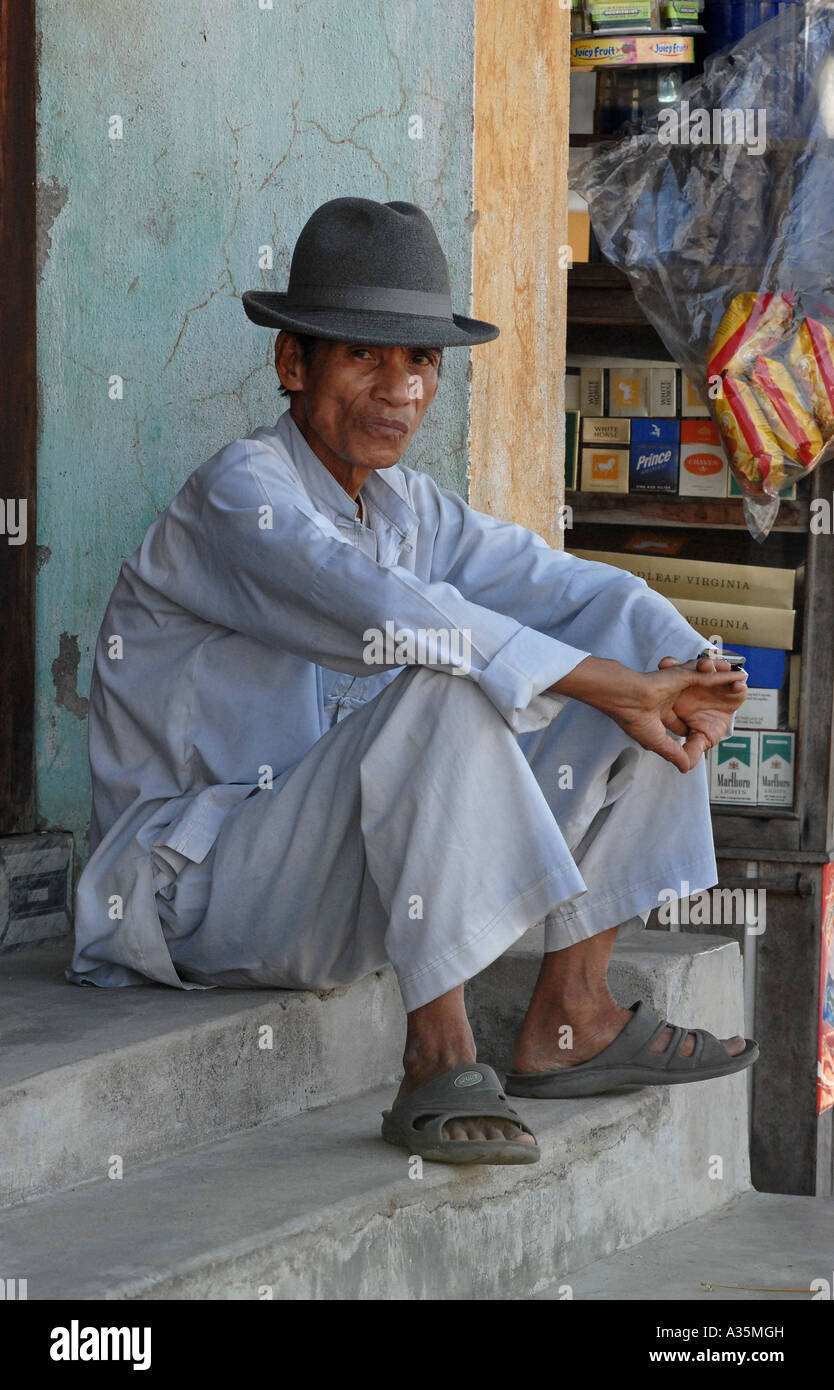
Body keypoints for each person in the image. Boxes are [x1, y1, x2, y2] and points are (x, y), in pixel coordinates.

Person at [67, 197, 757, 1166]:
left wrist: (680, 672)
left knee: (635, 636)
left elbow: (567, 589)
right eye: (364, 356)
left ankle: (575, 1010)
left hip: (344, 879)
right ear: (293, 364)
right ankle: (438, 1052)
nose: (400, 390)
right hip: (200, 892)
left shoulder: (406, 508)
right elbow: (390, 615)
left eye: (422, 361)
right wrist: (609, 688)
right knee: (443, 678)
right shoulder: (239, 496)